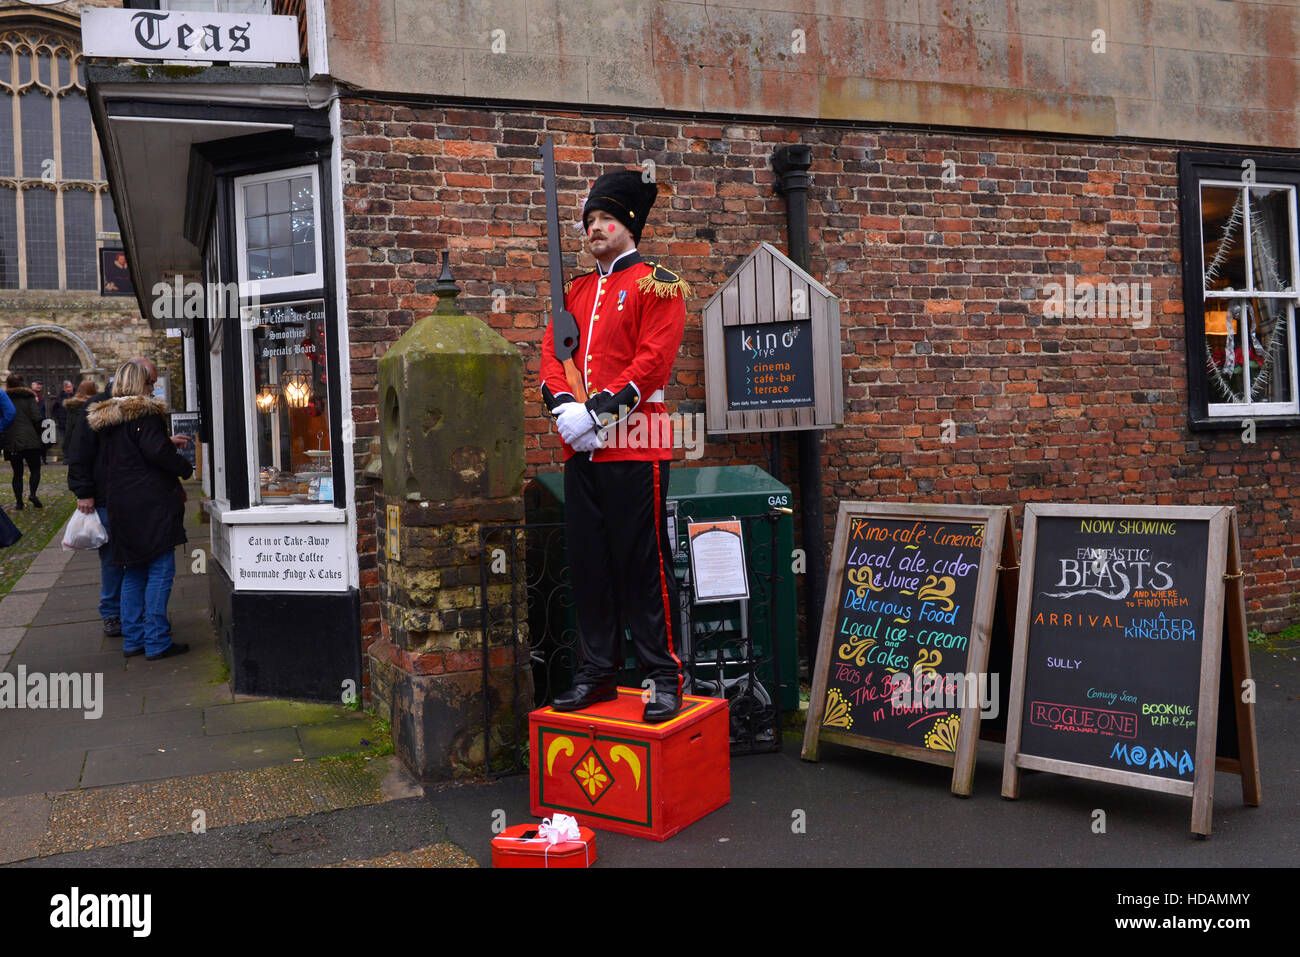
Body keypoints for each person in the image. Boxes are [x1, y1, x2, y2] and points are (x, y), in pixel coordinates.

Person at [539, 168, 689, 723]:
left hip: (636, 449)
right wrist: (564, 411)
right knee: (590, 566)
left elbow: (652, 364)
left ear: (629, 224)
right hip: (581, 452)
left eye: (604, 219)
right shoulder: (575, 291)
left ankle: (664, 676)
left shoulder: (658, 284)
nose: (594, 229)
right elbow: (552, 358)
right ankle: (598, 672)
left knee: (642, 566)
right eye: (589, 221)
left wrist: (597, 416)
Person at [86, 358, 194, 659]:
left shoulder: (107, 420)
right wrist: (184, 467)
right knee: (161, 569)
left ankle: (133, 639)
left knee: (133, 570)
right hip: (150, 503)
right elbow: (155, 451)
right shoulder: (146, 415)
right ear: (139, 384)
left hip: (120, 502)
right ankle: (157, 640)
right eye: (150, 383)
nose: (153, 388)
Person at [67, 378, 122, 636]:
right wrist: (84, 492)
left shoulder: (137, 406)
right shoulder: (96, 407)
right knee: (110, 557)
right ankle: (111, 612)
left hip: (129, 495)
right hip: (102, 495)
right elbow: (79, 452)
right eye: (148, 382)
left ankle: (129, 610)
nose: (151, 387)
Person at [4, 374, 46, 509]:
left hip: (11, 440)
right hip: (30, 439)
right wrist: (38, 433)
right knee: (35, 469)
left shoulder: (4, 398)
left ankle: (19, 502)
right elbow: (36, 417)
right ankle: (33, 494)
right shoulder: (29, 397)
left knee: (17, 473)